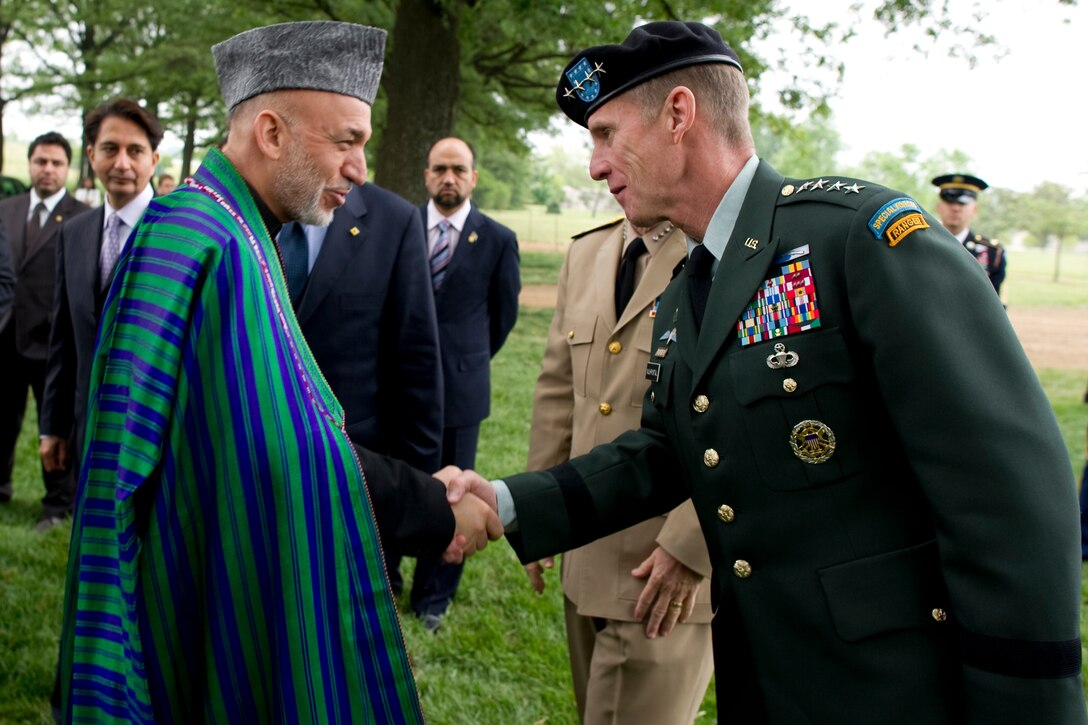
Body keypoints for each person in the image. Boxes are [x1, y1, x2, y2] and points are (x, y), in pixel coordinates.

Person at [451, 21, 1085, 723]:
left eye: (605, 133)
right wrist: (507, 502)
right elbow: (664, 454)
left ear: (679, 115)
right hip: (775, 680)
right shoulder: (694, 280)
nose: (595, 167)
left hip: (894, 690)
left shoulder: (857, 238)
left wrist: (1028, 704)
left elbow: (1008, 490)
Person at [57, 21, 499, 721]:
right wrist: (430, 505)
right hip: (187, 591)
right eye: (347, 140)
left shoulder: (240, 230)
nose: (361, 166)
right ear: (270, 132)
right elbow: (282, 448)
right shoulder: (194, 239)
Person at [525, 215, 713, 724]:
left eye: (613, 135)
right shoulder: (588, 252)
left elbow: (746, 421)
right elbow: (560, 392)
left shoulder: (722, 252)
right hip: (585, 557)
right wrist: (539, 514)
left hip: (663, 571)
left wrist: (691, 545)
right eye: (594, 141)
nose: (599, 165)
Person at [392, 136, 520, 630]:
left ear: (474, 176)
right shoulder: (401, 229)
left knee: (453, 495)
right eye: (440, 168)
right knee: (404, 484)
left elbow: (502, 317)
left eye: (459, 169)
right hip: (402, 390)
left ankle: (433, 596)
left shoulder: (498, 239)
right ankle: (391, 578)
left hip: (461, 394)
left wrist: (465, 362)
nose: (449, 177)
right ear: (426, 175)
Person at [39, 99, 163, 523]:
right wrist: (53, 427)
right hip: (88, 426)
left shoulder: (179, 234)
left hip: (156, 434)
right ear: (91, 155)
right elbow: (64, 339)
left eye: (136, 151)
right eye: (110, 148)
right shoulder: (73, 233)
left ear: (155, 158)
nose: (122, 162)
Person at [287, 181, 442, 479]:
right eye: (343, 142)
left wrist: (419, 492)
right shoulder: (225, 215)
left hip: (349, 470)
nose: (359, 170)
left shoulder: (394, 220)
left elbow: (417, 365)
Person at [0, 132, 90, 520]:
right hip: (6, 337)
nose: (47, 170)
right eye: (40, 161)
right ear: (30, 163)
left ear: (66, 168)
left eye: (56, 163)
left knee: (55, 426)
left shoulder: (81, 218)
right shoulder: (7, 209)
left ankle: (57, 504)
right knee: (2, 420)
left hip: (50, 342)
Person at [932, 173, 1006, 296]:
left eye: (963, 203)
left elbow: (996, 305)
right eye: (949, 201)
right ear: (939, 207)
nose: (956, 208)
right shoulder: (921, 245)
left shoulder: (993, 253)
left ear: (975, 209)